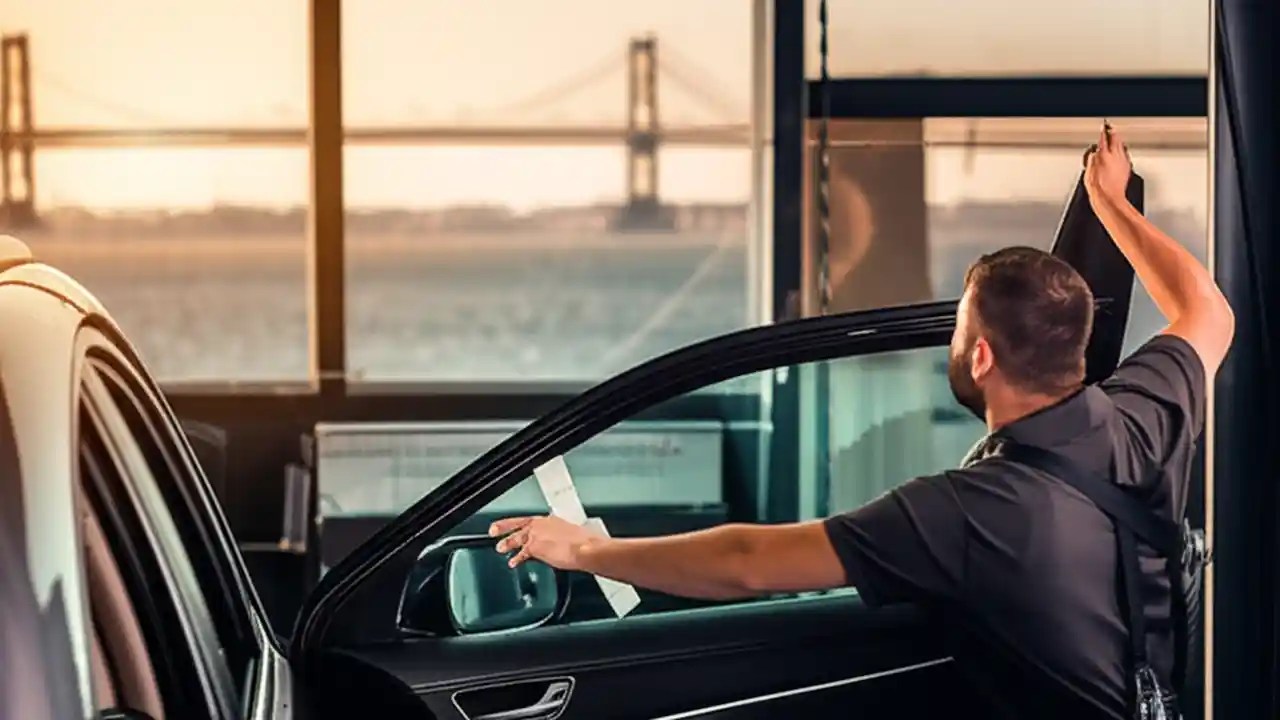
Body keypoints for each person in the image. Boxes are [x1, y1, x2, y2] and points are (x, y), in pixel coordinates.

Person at [489, 124, 1235, 719]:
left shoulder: (967, 513)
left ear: (980, 356)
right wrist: (1113, 207)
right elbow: (1207, 310)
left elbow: (749, 563)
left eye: (957, 332)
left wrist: (589, 551)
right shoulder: (1148, 410)